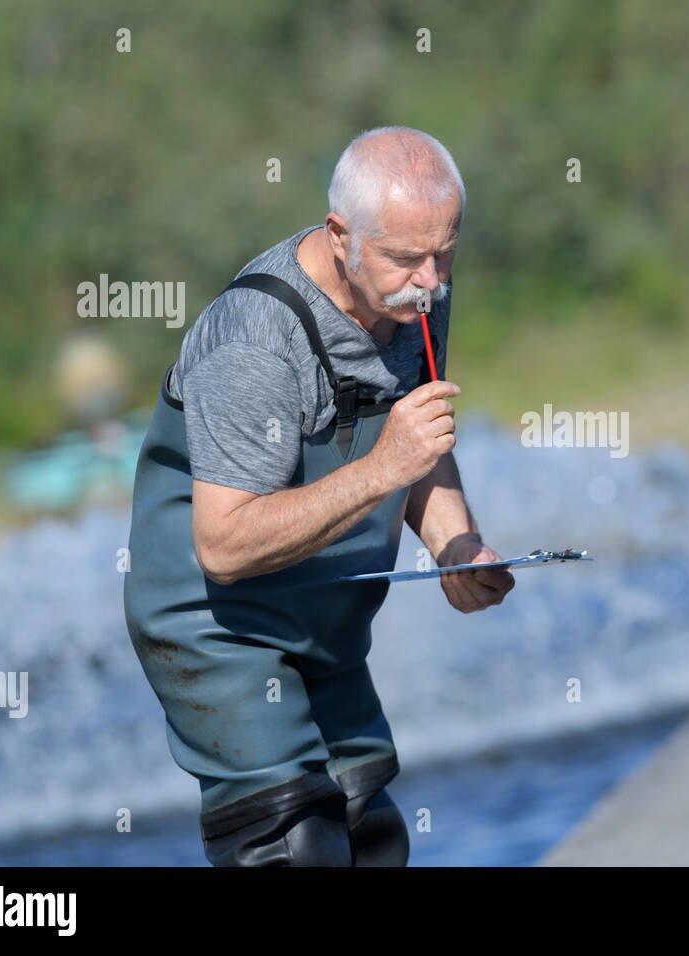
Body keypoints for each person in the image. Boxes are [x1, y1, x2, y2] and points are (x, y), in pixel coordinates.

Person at [123, 126, 515, 866]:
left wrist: (455, 546)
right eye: (406, 258)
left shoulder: (417, 298)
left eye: (446, 254)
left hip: (324, 612)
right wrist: (380, 468)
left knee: (372, 838)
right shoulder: (252, 340)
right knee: (296, 845)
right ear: (341, 236)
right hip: (220, 627)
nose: (431, 281)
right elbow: (225, 544)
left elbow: (418, 444)